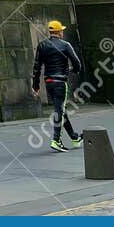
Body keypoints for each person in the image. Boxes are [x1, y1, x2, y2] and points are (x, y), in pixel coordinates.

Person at [31, 19, 85, 152]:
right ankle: (56, 140)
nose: (62, 32)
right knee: (59, 110)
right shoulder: (65, 45)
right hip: (61, 82)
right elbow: (77, 63)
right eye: (62, 30)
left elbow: (36, 68)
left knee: (61, 109)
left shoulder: (42, 45)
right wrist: (73, 71)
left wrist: (36, 86)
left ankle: (74, 137)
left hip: (48, 82)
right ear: (59, 32)